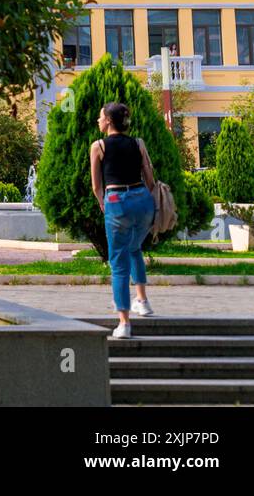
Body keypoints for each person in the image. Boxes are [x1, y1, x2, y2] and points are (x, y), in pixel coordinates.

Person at [89, 101, 157, 338]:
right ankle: (143, 301)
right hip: (142, 201)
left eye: (100, 117)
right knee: (134, 248)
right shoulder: (138, 143)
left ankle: (124, 323)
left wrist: (103, 203)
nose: (98, 121)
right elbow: (150, 179)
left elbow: (96, 185)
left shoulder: (98, 146)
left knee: (118, 262)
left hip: (117, 200)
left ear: (108, 121)